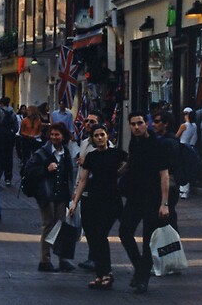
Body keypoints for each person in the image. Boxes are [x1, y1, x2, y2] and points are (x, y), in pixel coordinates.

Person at [69, 124, 127, 290]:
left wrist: (119, 173)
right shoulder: (91, 157)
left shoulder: (116, 153)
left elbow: (130, 161)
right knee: (94, 238)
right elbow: (83, 180)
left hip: (111, 200)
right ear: (93, 139)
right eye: (96, 135)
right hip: (93, 200)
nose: (100, 138)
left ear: (107, 136)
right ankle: (101, 275)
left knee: (101, 235)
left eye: (102, 134)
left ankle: (107, 273)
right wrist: (75, 201)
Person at [118, 111, 170, 294]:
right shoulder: (134, 142)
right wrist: (116, 172)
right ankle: (140, 268)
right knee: (124, 231)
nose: (136, 127)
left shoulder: (157, 145)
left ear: (146, 124)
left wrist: (164, 203)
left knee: (148, 239)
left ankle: (142, 279)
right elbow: (131, 163)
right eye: (133, 124)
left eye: (140, 123)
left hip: (152, 198)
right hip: (134, 196)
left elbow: (164, 175)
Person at [28, 122, 78, 272]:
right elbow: (29, 170)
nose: (54, 137)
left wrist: (72, 195)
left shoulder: (66, 153)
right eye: (52, 134)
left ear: (63, 136)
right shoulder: (42, 153)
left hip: (61, 195)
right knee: (48, 225)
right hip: (47, 195)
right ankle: (45, 260)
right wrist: (45, 168)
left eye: (57, 134)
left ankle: (63, 259)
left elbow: (69, 174)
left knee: (62, 226)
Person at [74, 110, 106, 271]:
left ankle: (97, 258)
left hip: (98, 191)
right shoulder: (85, 142)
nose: (88, 124)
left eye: (92, 122)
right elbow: (81, 172)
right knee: (87, 225)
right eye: (86, 121)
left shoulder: (105, 145)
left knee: (97, 227)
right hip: (84, 190)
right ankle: (92, 256)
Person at [176, 107, 198, 198]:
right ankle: (185, 190)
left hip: (182, 147)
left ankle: (182, 189)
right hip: (189, 147)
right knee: (186, 168)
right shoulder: (194, 126)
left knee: (181, 168)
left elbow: (177, 135)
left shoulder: (184, 125)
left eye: (185, 114)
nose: (184, 115)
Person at [0, 96, 17, 185]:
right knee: (9, 157)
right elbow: (16, 125)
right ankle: (8, 178)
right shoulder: (12, 111)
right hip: (10, 137)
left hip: (0, 136)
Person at [19, 105, 43, 169]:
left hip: (35, 140)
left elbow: (40, 130)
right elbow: (21, 131)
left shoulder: (38, 120)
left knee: (35, 154)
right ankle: (26, 167)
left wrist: (38, 135)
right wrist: (27, 135)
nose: (27, 112)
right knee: (26, 155)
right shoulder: (24, 120)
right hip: (26, 140)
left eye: (29, 111)